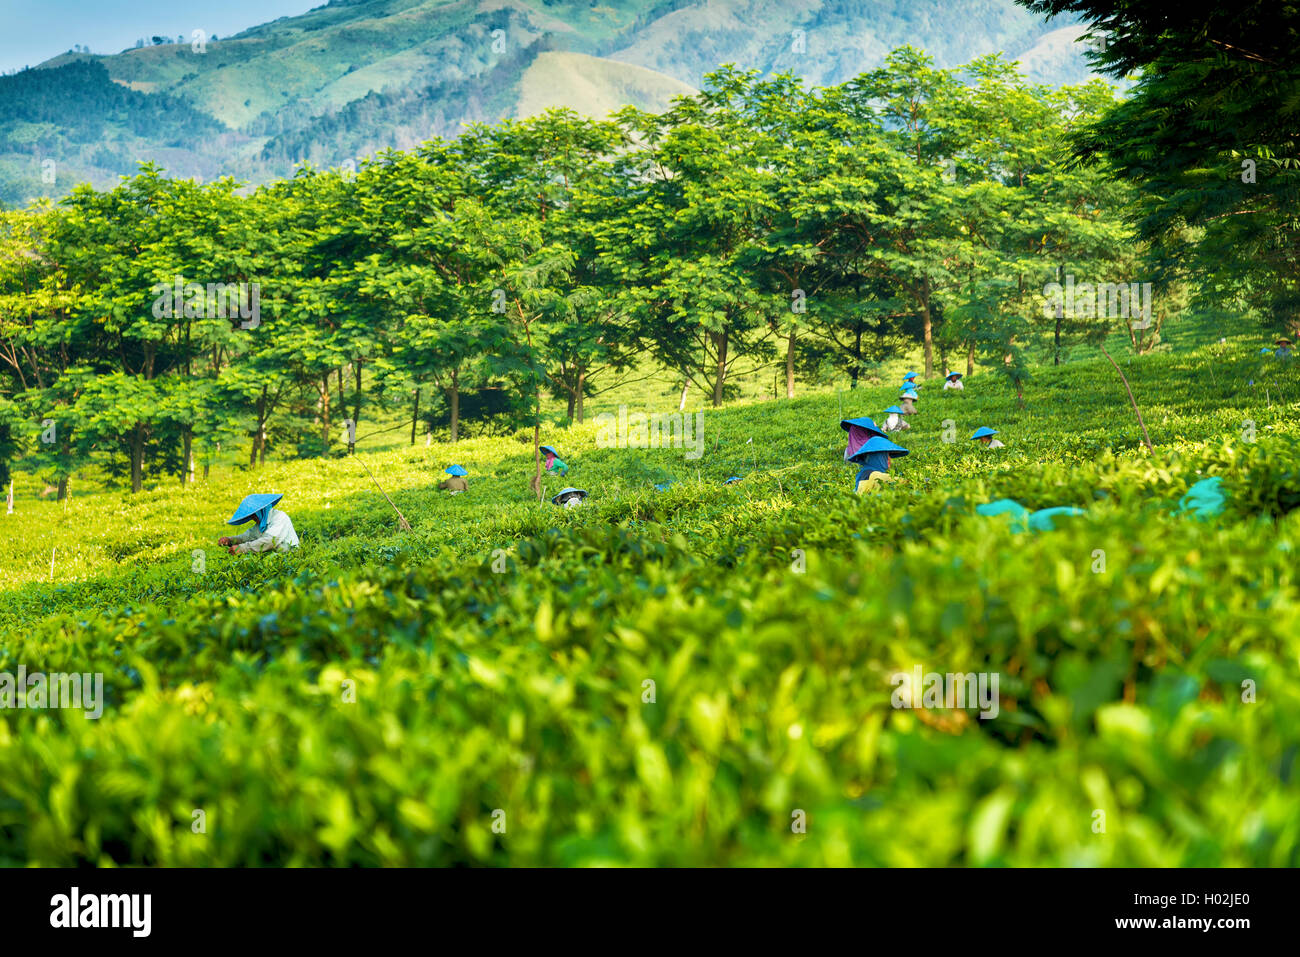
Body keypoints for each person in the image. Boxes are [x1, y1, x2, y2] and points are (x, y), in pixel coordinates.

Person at [218, 493, 299, 554]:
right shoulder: (262, 524)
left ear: (261, 511)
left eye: (254, 515)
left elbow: (270, 541)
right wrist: (229, 540)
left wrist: (242, 548)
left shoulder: (279, 517)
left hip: (290, 554)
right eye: (251, 516)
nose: (253, 518)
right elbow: (247, 536)